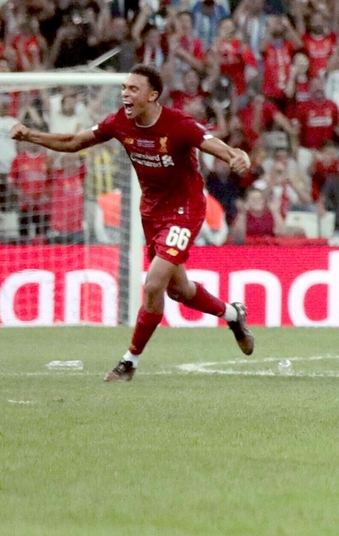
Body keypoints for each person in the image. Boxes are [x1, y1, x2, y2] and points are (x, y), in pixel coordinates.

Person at [11, 65, 254, 381]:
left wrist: (238, 156)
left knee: (153, 284)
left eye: (132, 89)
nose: (125, 94)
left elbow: (217, 146)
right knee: (178, 290)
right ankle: (233, 314)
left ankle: (129, 362)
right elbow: (73, 141)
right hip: (151, 212)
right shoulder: (119, 122)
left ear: (152, 95)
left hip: (185, 210)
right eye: (124, 88)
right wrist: (31, 134)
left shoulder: (178, 124)